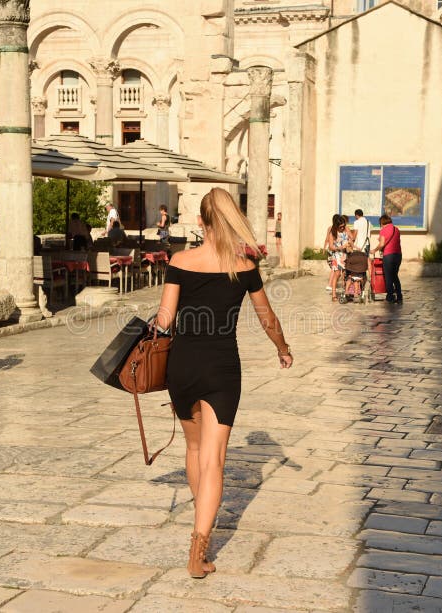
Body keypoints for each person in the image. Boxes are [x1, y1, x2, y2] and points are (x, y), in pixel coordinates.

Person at [156, 187, 293, 579]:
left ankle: (203, 514)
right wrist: (283, 348)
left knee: (194, 448)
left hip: (182, 366)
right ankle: (198, 551)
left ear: (201, 222)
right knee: (214, 459)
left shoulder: (180, 261)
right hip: (222, 369)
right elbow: (267, 318)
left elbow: (165, 319)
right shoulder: (243, 266)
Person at [371, 214, 403, 303]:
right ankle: (399, 296)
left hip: (389, 255)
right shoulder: (396, 229)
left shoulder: (384, 230)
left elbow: (382, 244)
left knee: (388, 277)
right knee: (395, 276)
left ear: (381, 222)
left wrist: (374, 250)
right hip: (398, 255)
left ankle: (390, 297)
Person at [324, 214, 349, 302]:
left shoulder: (345, 231)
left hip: (345, 255)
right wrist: (341, 247)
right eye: (340, 227)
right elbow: (331, 247)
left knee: (345, 275)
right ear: (336, 226)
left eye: (343, 226)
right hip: (336, 256)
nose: (342, 228)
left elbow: (350, 239)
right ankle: (334, 294)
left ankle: (345, 293)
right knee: (337, 274)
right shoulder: (333, 233)